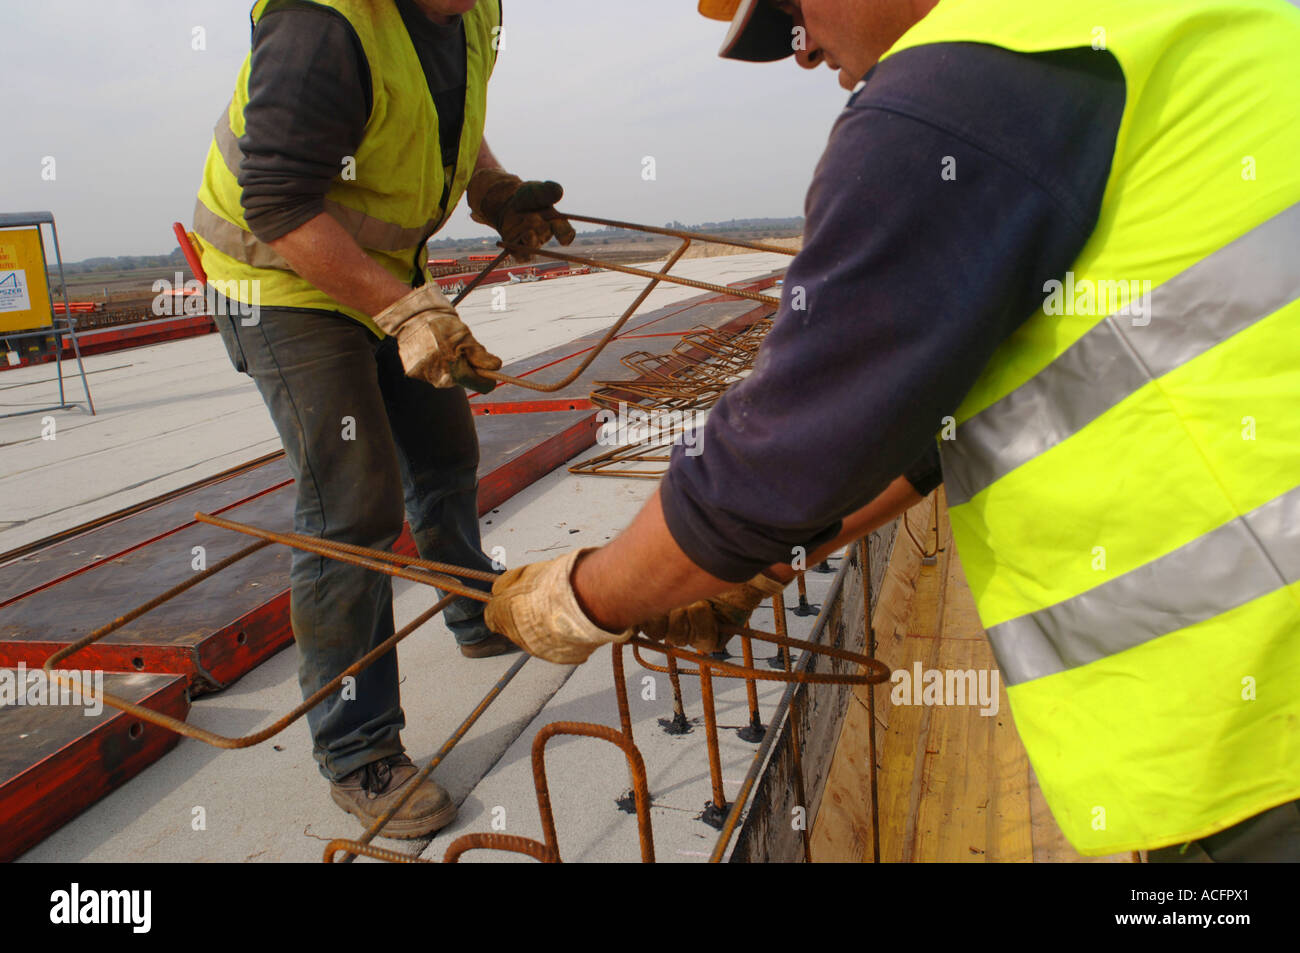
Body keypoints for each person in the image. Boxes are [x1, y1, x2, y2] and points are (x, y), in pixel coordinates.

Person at [486, 0, 1300, 860]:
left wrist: (581, 600)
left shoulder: (957, 89)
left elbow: (772, 463)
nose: (800, 55)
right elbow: (940, 425)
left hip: (1256, 726)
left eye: (790, 16)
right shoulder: (1156, 31)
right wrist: (768, 565)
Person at [191, 0, 574, 838]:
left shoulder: (473, 13)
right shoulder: (322, 22)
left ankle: (477, 610)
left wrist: (495, 190)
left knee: (444, 450)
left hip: (379, 268)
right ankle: (359, 747)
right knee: (351, 505)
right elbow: (279, 203)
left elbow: (447, 119)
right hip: (281, 278)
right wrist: (405, 313)